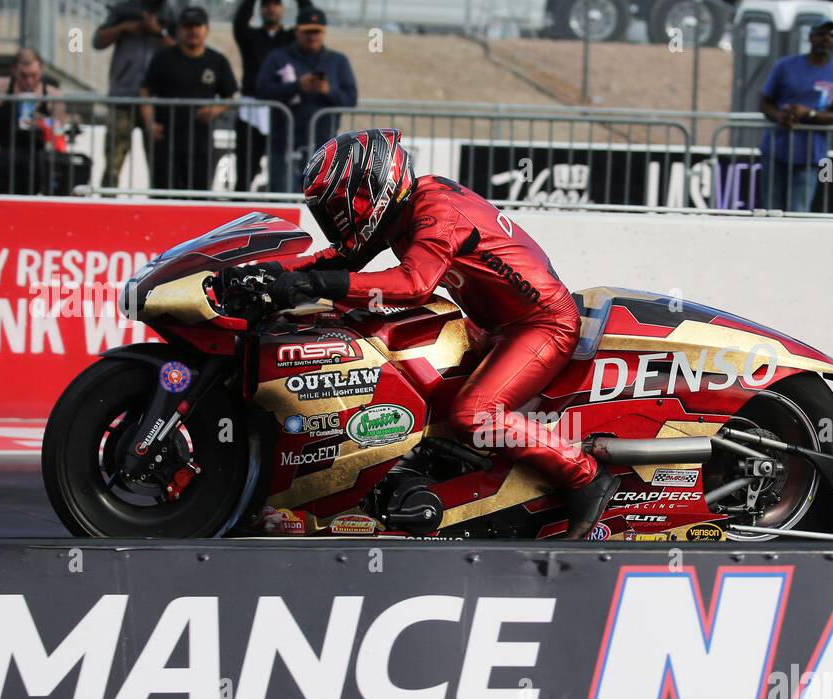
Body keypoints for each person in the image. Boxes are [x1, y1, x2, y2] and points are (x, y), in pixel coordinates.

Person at [226, 129, 618, 539]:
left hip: (541, 325)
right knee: (408, 373)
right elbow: (346, 256)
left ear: (371, 185)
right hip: (491, 324)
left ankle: (586, 477)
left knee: (473, 415)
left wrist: (315, 284)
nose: (338, 219)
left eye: (341, 206)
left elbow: (414, 283)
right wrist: (274, 273)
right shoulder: (401, 208)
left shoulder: (437, 210)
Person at [757, 20, 833, 212]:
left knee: (799, 210)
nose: (827, 38)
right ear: (810, 37)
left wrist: (809, 114)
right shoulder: (785, 66)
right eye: (821, 33)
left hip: (812, 155)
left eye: (832, 35)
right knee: (770, 210)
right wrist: (781, 117)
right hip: (776, 148)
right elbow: (763, 103)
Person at [256, 5, 358, 193]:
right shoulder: (278, 57)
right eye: (307, 32)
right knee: (282, 196)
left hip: (324, 146)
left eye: (316, 32)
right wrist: (296, 87)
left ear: (324, 32)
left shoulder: (338, 61)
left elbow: (351, 98)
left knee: (319, 198)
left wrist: (329, 91)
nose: (312, 36)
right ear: (297, 32)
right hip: (284, 143)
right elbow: (262, 90)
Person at [140, 6, 238, 192]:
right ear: (179, 30)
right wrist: (150, 122)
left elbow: (230, 96)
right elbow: (145, 92)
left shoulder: (217, 61)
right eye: (188, 26)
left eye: (197, 26)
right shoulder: (163, 59)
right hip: (166, 140)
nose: (193, 31)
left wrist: (214, 110)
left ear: (206, 29)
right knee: (164, 193)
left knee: (199, 193)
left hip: (200, 140)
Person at [94, 0, 178, 189]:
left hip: (156, 102)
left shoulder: (171, 13)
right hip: (123, 97)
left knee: (159, 166)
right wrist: (124, 28)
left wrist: (158, 31)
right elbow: (98, 41)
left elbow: (180, 51)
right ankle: (107, 207)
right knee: (113, 164)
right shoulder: (124, 9)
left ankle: (159, 209)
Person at [0, 48, 67, 195]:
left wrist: (43, 123)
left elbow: (58, 134)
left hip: (35, 162)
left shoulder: (53, 96)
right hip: (3, 158)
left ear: (41, 70)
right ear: (14, 70)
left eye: (34, 76)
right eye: (23, 76)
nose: (29, 81)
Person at [233, 0, 294, 191]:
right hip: (251, 109)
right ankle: (239, 209)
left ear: (282, 8)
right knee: (246, 166)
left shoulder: (290, 38)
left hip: (282, 108)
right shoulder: (250, 37)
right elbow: (239, 22)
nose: (271, 8)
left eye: (276, 4)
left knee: (282, 167)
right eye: (266, 4)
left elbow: (308, 17)